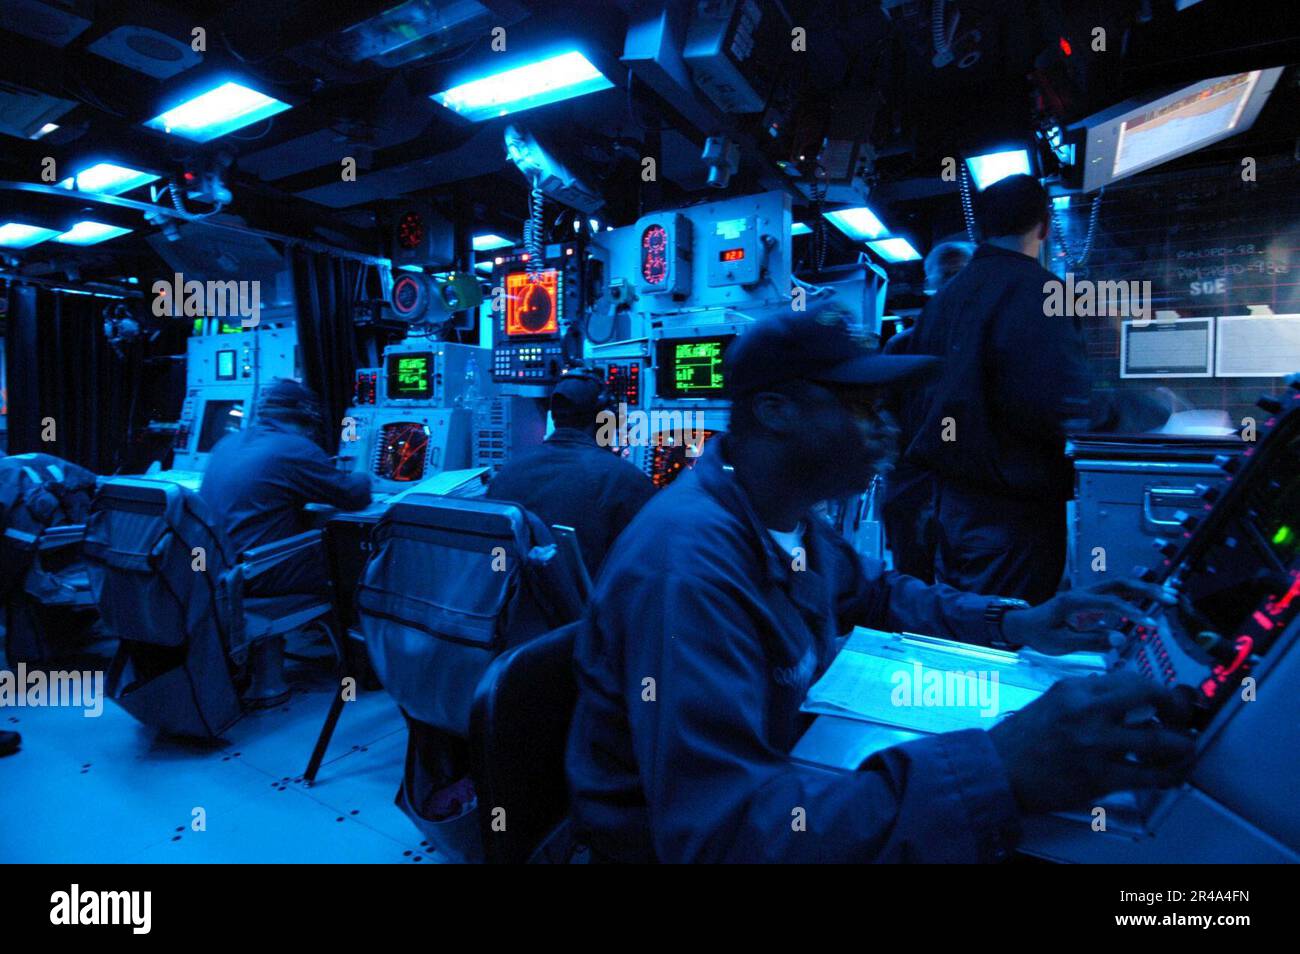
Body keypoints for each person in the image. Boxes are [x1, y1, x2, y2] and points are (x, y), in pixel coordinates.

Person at [565, 306, 1193, 863]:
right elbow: (722, 835)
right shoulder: (689, 569)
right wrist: (998, 768)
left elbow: (880, 593)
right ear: (775, 412)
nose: (889, 428)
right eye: (861, 405)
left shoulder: (783, 519)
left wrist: (1015, 623)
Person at [906, 174, 1092, 603]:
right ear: (1045, 226)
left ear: (982, 229)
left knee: (961, 620)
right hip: (1013, 514)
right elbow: (1060, 403)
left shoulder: (941, 302)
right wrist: (1145, 409)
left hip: (950, 507)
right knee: (1008, 632)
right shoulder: (1043, 291)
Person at [200, 378, 371, 705]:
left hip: (220, 570)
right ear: (306, 419)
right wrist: (362, 466)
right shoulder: (294, 448)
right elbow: (356, 495)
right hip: (259, 573)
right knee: (356, 557)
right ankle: (364, 666)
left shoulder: (227, 444)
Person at [486, 367, 654, 577]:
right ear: (605, 420)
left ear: (554, 418)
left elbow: (496, 564)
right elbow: (648, 563)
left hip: (518, 605)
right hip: (586, 608)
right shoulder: (624, 480)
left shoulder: (506, 474)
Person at [881, 240, 975, 581]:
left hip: (971, 489)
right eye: (947, 275)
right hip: (913, 485)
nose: (954, 283)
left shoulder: (988, 345)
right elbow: (884, 415)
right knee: (913, 583)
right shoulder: (901, 347)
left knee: (967, 585)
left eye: (962, 275)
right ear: (929, 283)